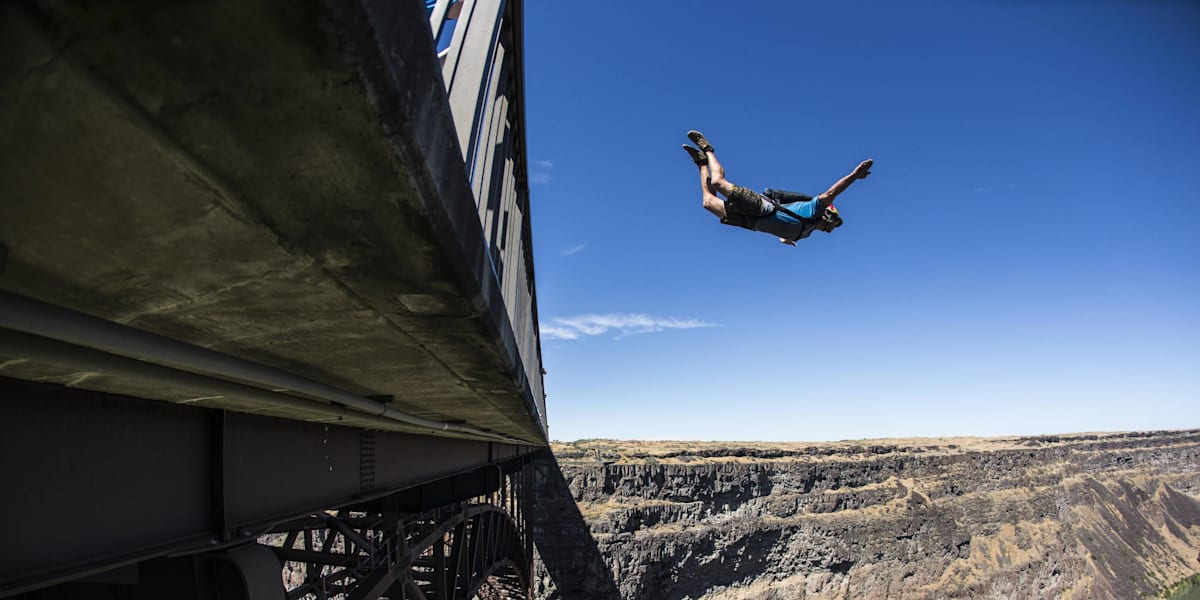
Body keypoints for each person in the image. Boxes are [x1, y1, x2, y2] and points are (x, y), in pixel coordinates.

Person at [682, 130, 873, 245]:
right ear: (828, 215)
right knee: (718, 183)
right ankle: (708, 149)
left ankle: (701, 163)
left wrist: (785, 240)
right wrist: (854, 176)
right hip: (762, 207)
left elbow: (784, 234)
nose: (832, 228)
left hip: (751, 222)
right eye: (834, 222)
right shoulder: (814, 209)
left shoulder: (805, 234)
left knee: (708, 202)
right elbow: (832, 192)